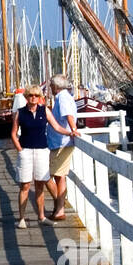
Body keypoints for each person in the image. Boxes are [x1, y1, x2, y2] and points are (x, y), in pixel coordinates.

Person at [10, 85, 74, 227]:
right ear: (26, 97)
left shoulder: (44, 110)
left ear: (40, 98)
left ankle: (41, 217)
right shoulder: (19, 113)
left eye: (36, 96)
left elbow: (56, 127)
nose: (34, 98)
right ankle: (21, 218)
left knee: (40, 185)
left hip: (42, 151)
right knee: (25, 185)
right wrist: (20, 149)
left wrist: (70, 132)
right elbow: (14, 133)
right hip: (25, 151)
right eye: (31, 95)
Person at [45, 75, 81, 221]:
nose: (50, 88)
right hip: (58, 142)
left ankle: (59, 207)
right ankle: (59, 206)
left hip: (61, 142)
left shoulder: (62, 98)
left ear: (55, 86)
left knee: (46, 175)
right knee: (60, 176)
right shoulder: (65, 97)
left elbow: (68, 115)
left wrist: (73, 128)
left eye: (51, 86)